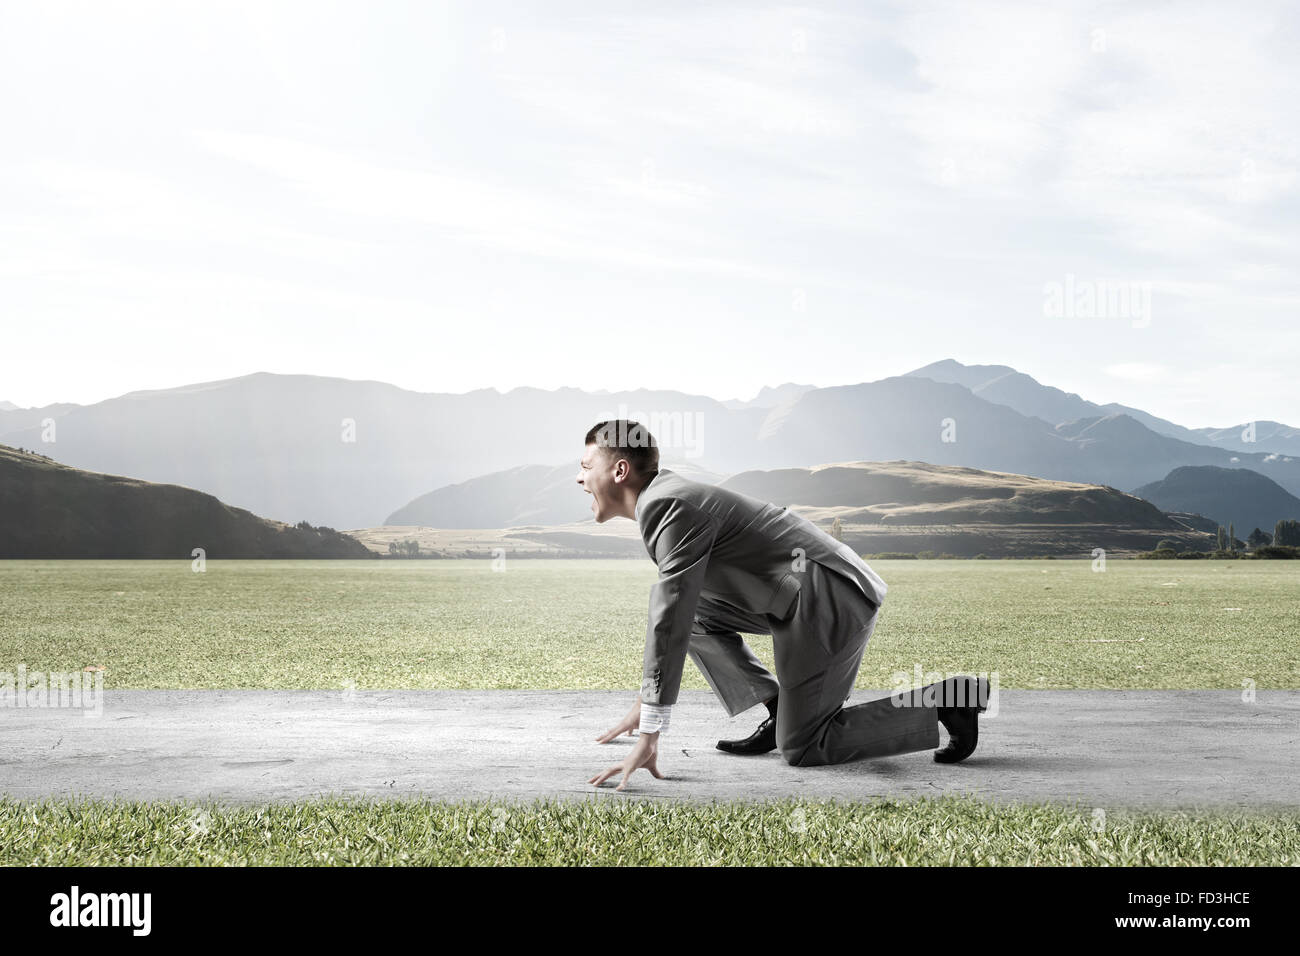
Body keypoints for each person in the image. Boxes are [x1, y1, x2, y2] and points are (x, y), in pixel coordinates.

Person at [577, 419, 990, 791]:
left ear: (619, 470)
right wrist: (647, 699)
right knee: (696, 617)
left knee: (805, 746)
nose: (580, 479)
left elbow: (671, 612)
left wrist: (650, 726)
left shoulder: (668, 504)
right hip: (794, 596)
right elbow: (676, 615)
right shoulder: (665, 497)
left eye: (584, 466)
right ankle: (780, 711)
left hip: (829, 597)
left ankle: (947, 701)